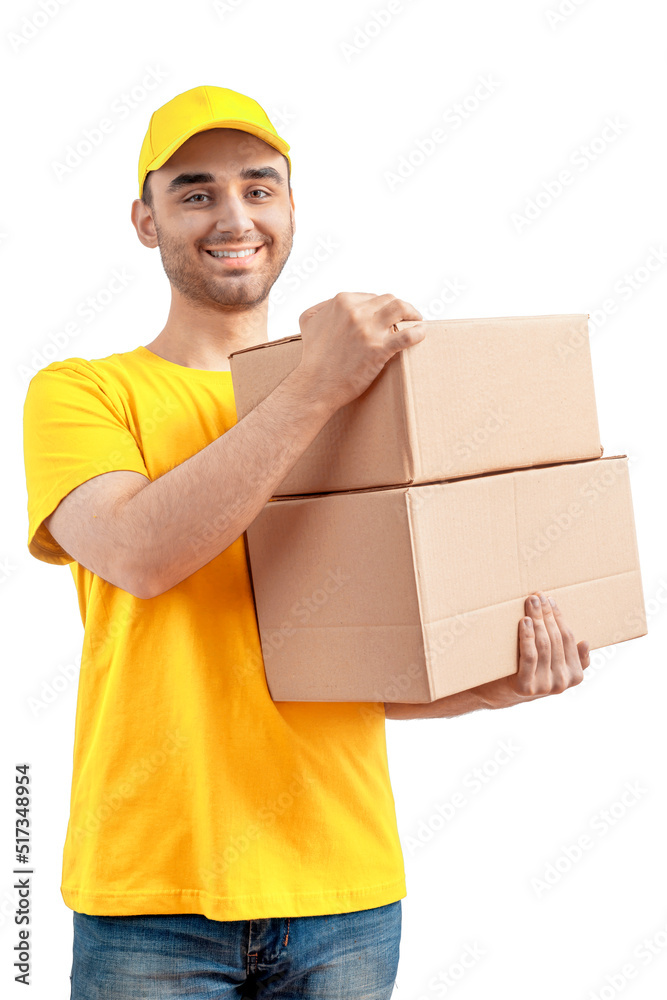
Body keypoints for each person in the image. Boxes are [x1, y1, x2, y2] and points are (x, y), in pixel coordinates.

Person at [22, 85, 590, 999]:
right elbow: (140, 553)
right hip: (152, 898)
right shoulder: (84, 393)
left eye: (259, 187)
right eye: (195, 192)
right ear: (145, 220)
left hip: (343, 892)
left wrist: (494, 681)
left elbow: (340, 665)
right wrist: (315, 387)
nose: (232, 215)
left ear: (289, 210)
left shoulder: (364, 400)